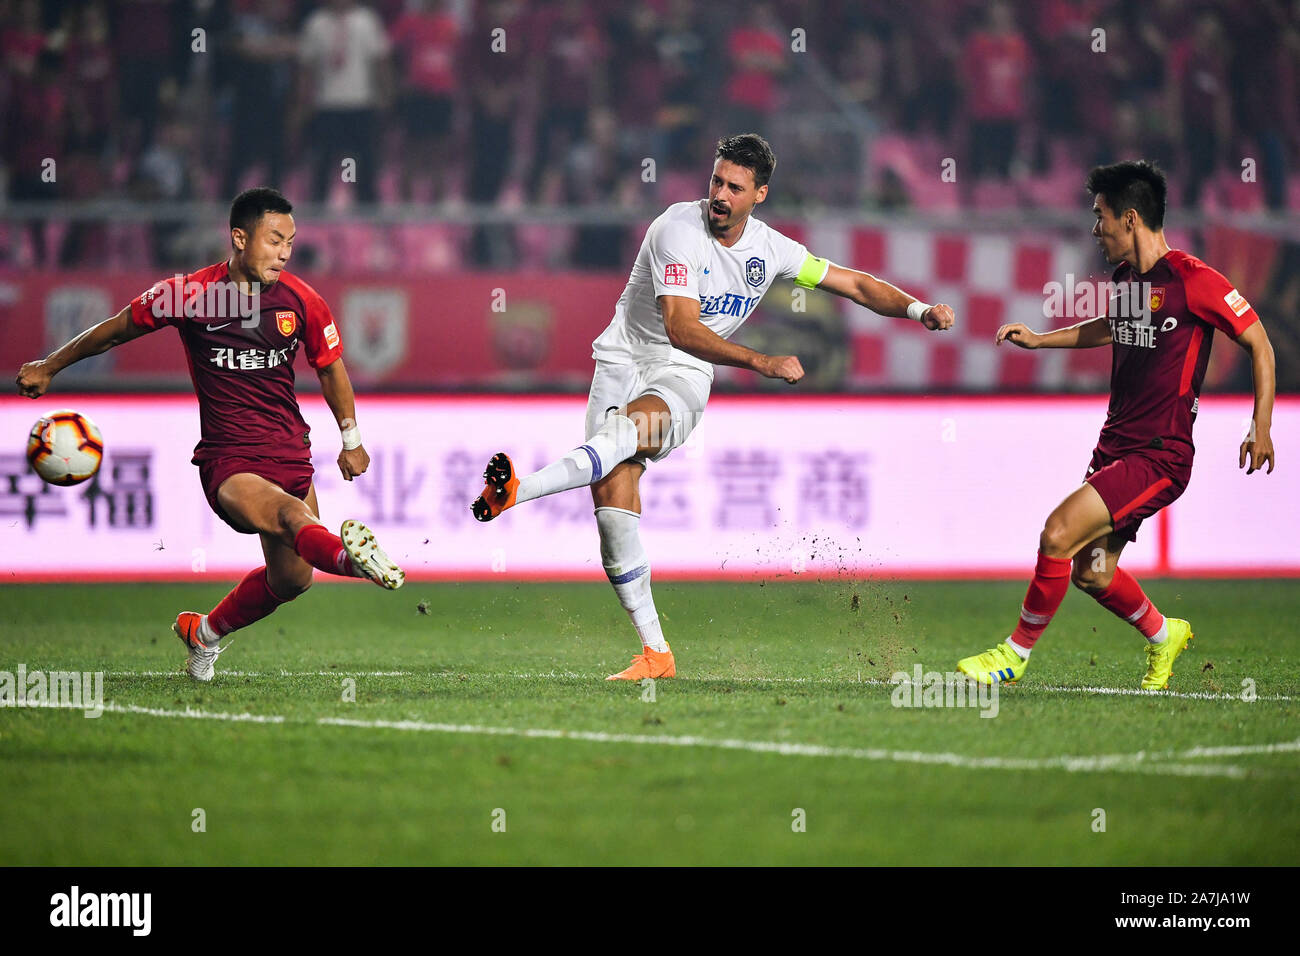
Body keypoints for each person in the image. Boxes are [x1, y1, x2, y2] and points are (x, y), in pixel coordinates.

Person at [472, 134, 955, 680]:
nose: (720, 195)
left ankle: (518, 490)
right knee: (611, 507)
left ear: (760, 195)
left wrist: (917, 309)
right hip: (622, 360)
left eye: (735, 187)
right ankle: (657, 654)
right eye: (716, 182)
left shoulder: (772, 250)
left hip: (682, 375)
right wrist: (761, 361)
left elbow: (855, 285)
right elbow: (680, 326)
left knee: (628, 435)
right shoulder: (676, 229)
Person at [15, 187, 405, 682]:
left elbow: (330, 369)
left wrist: (351, 441)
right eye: (274, 239)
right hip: (230, 462)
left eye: (290, 241)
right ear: (240, 238)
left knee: (292, 580)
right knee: (290, 516)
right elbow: (115, 329)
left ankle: (204, 633)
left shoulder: (303, 301)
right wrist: (50, 366)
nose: (285, 251)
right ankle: (354, 562)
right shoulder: (189, 295)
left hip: (291, 454)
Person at [956, 160, 1276, 689]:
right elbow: (1112, 326)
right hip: (1116, 446)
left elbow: (1259, 343)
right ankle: (1163, 634)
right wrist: (1042, 339)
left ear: (1130, 218)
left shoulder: (1195, 281)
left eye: (1100, 216)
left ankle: (1013, 655)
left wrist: (1259, 426)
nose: (1095, 229)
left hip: (1160, 452)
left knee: (1057, 533)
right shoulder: (1127, 278)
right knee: (1092, 571)